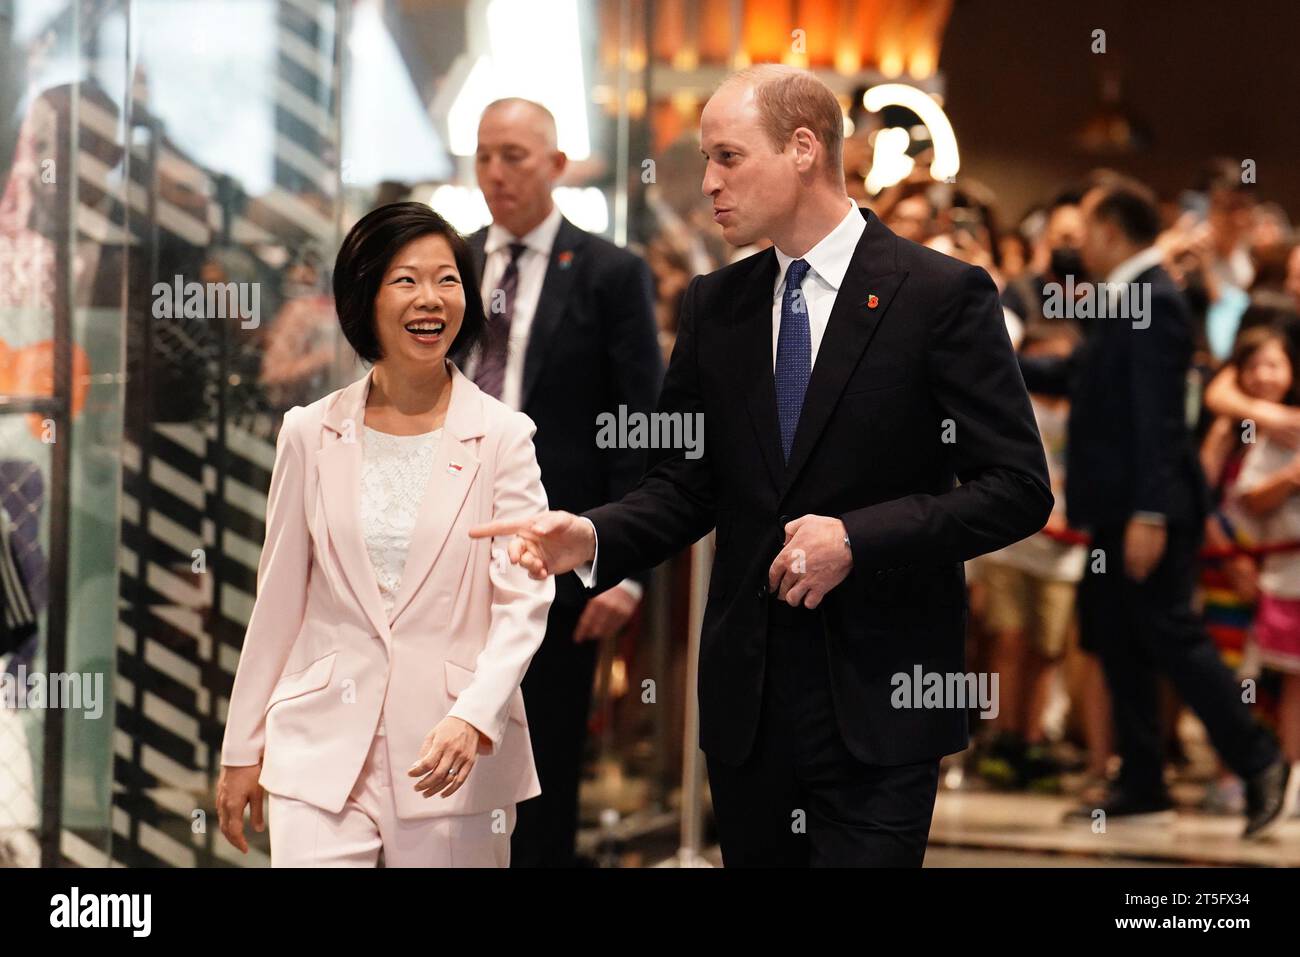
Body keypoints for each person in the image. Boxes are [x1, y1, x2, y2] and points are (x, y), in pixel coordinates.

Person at [471, 65, 1054, 867]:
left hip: (880, 699)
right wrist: (592, 535)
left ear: (804, 149)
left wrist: (858, 537)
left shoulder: (939, 294)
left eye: (728, 158)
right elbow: (687, 483)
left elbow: (1017, 489)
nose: (708, 183)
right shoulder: (718, 305)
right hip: (750, 707)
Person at [217, 202, 554, 866]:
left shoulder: (504, 436)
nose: (430, 298)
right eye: (405, 279)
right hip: (318, 753)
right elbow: (279, 599)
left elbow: (523, 602)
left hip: (451, 751)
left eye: (448, 279)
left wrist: (476, 715)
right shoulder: (309, 432)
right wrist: (241, 746)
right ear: (364, 296)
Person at [1018, 174, 1292, 839]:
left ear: (1112, 231)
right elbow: (1080, 376)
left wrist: (1147, 513)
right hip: (1117, 504)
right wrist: (996, 358)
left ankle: (1260, 760)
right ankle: (1141, 781)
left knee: (1171, 633)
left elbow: (1160, 418)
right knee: (1118, 638)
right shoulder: (1127, 297)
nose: (1079, 245)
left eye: (1087, 231)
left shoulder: (1153, 298)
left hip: (1150, 508)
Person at [457, 98, 662, 867]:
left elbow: (638, 420)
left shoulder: (609, 273)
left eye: (513, 154)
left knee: (540, 758)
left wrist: (626, 568)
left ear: (555, 164)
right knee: (447, 742)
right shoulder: (454, 260)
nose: (496, 173)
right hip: (453, 542)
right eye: (483, 156)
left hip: (559, 549)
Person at [1231, 328, 1300, 784]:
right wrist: (1294, 475)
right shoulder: (1279, 428)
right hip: (1282, 576)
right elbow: (1249, 499)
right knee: (1285, 683)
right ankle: (1280, 778)